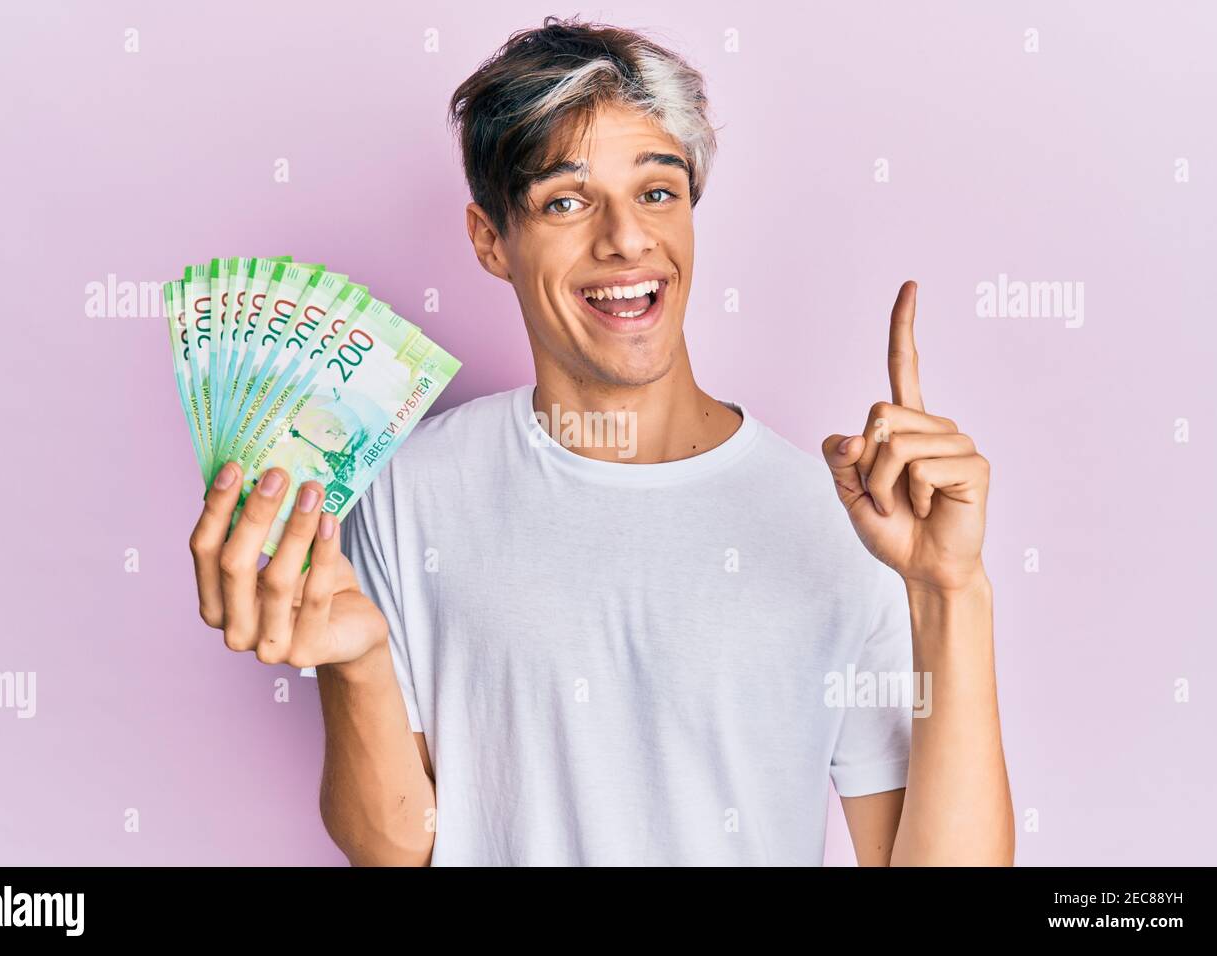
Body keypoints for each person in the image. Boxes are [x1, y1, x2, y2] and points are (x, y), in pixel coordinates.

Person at [188, 16, 1013, 866]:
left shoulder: (845, 521)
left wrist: (953, 589)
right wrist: (357, 662)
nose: (625, 238)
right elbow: (399, 849)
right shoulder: (412, 492)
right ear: (489, 241)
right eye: (567, 201)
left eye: (657, 191)